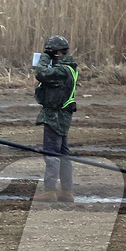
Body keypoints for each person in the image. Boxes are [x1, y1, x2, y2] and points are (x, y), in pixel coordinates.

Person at [34, 35, 79, 202]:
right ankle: (67, 191)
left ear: (58, 52)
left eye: (51, 52)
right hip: (63, 116)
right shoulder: (69, 67)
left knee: (51, 153)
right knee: (63, 155)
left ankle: (50, 190)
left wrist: (44, 59)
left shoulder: (62, 70)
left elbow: (41, 73)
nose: (48, 54)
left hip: (55, 116)